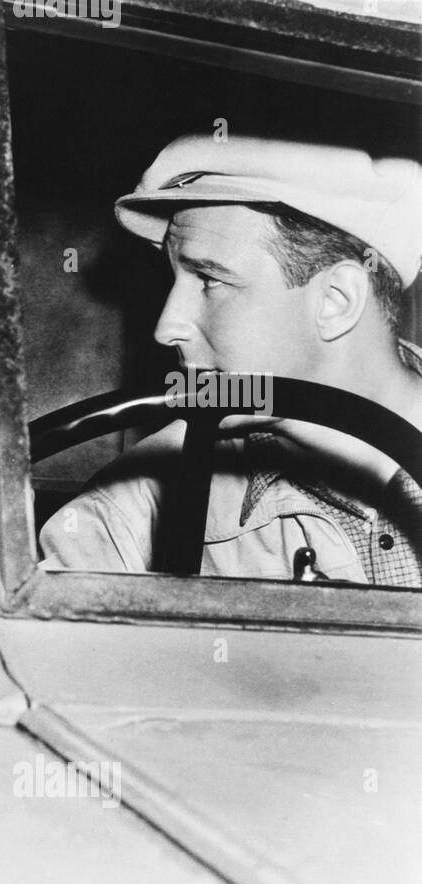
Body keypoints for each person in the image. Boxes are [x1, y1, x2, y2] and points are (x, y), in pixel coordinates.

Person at [39, 135, 422, 585]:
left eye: (209, 280)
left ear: (335, 301)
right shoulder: (138, 501)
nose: (167, 327)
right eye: (174, 279)